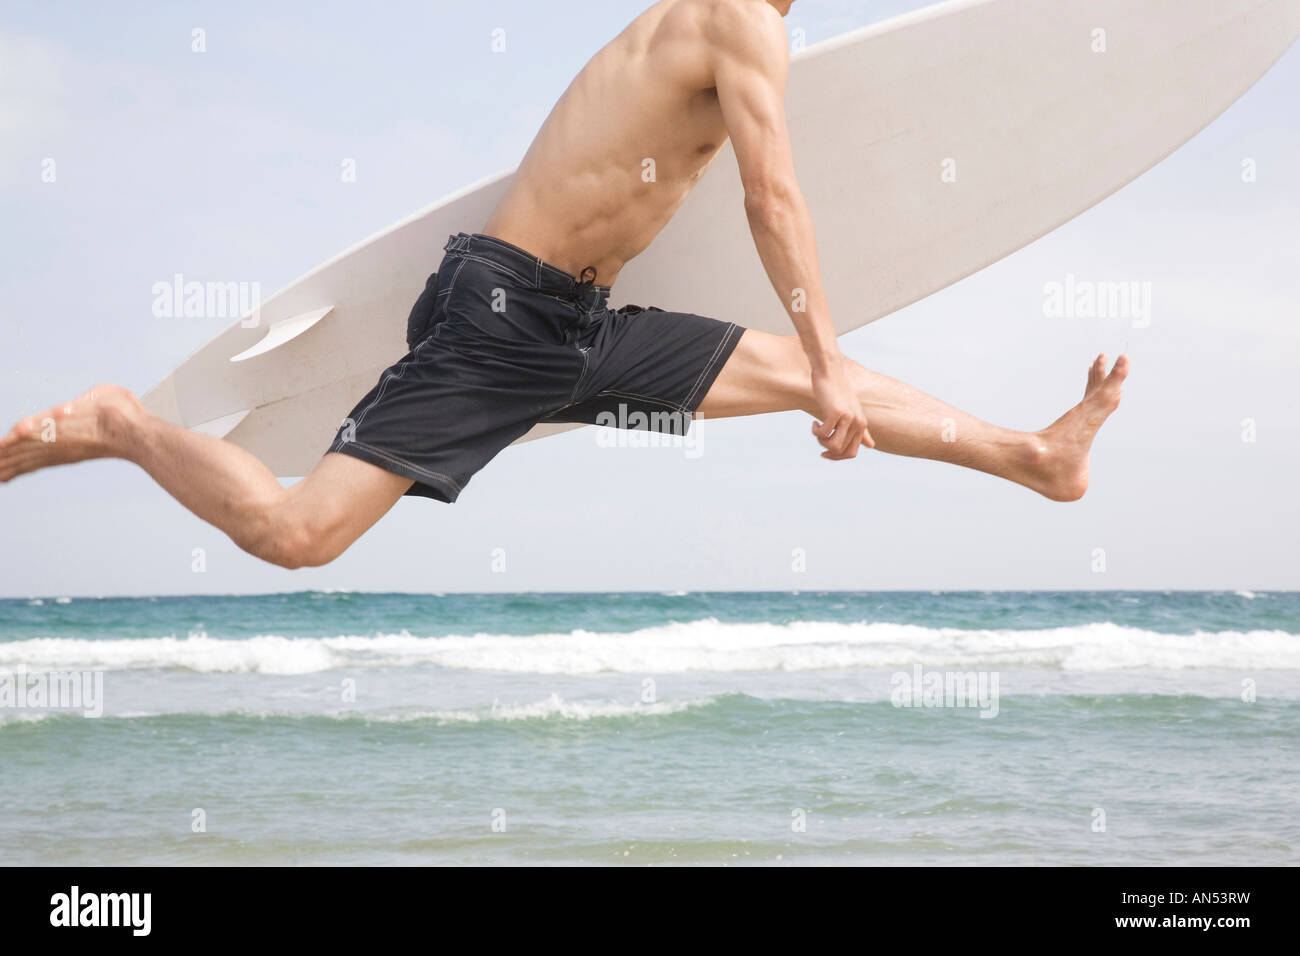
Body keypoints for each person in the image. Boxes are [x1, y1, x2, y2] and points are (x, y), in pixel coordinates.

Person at [0, 0, 1127, 569]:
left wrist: (819, 370)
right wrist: (830, 360)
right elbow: (771, 199)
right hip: (501, 319)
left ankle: (1030, 457)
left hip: (568, 325)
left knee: (782, 375)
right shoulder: (734, 20)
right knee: (302, 538)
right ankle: (118, 422)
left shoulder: (727, 26)